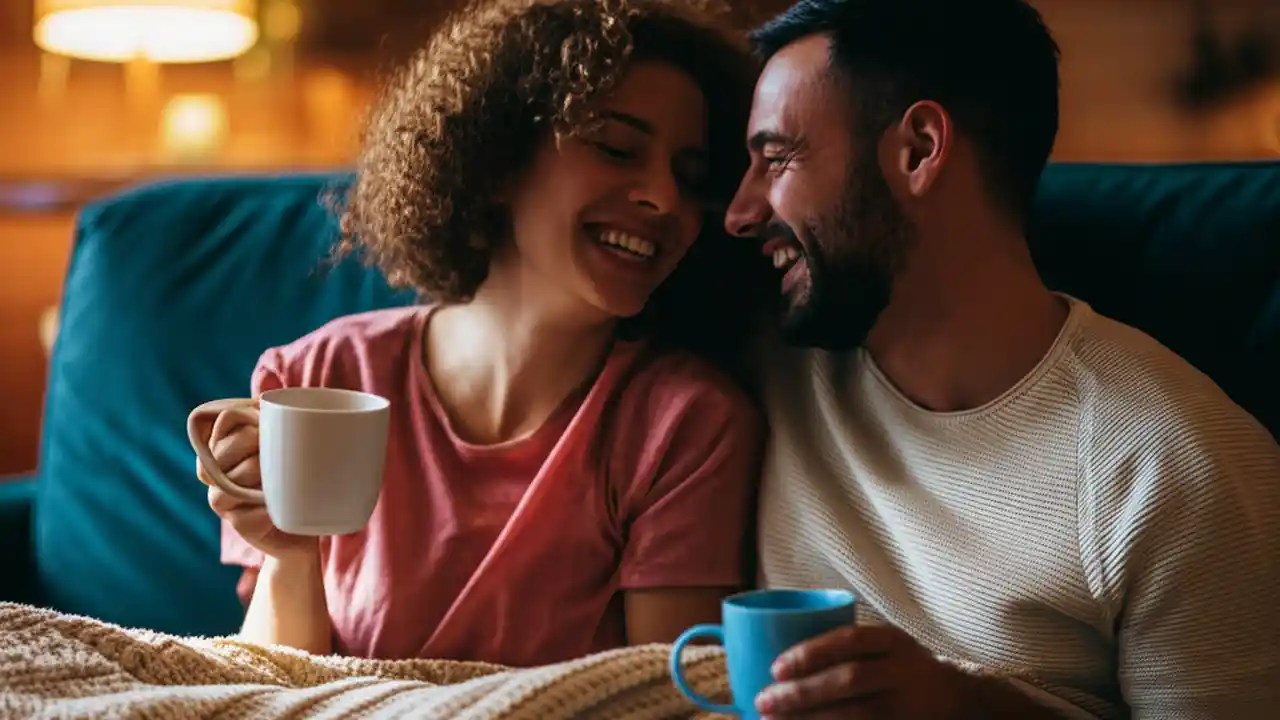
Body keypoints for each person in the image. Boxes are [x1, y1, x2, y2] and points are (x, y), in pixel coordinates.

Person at [726, 0, 1280, 717]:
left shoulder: (1174, 467)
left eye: (777, 159)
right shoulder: (764, 360)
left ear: (919, 150)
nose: (739, 212)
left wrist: (972, 708)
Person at [191, 0, 766, 668]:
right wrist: (289, 553)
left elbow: (671, 694)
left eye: (691, 178)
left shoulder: (685, 425)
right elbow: (275, 679)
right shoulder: (317, 375)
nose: (664, 199)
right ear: (499, 162)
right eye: (616, 148)